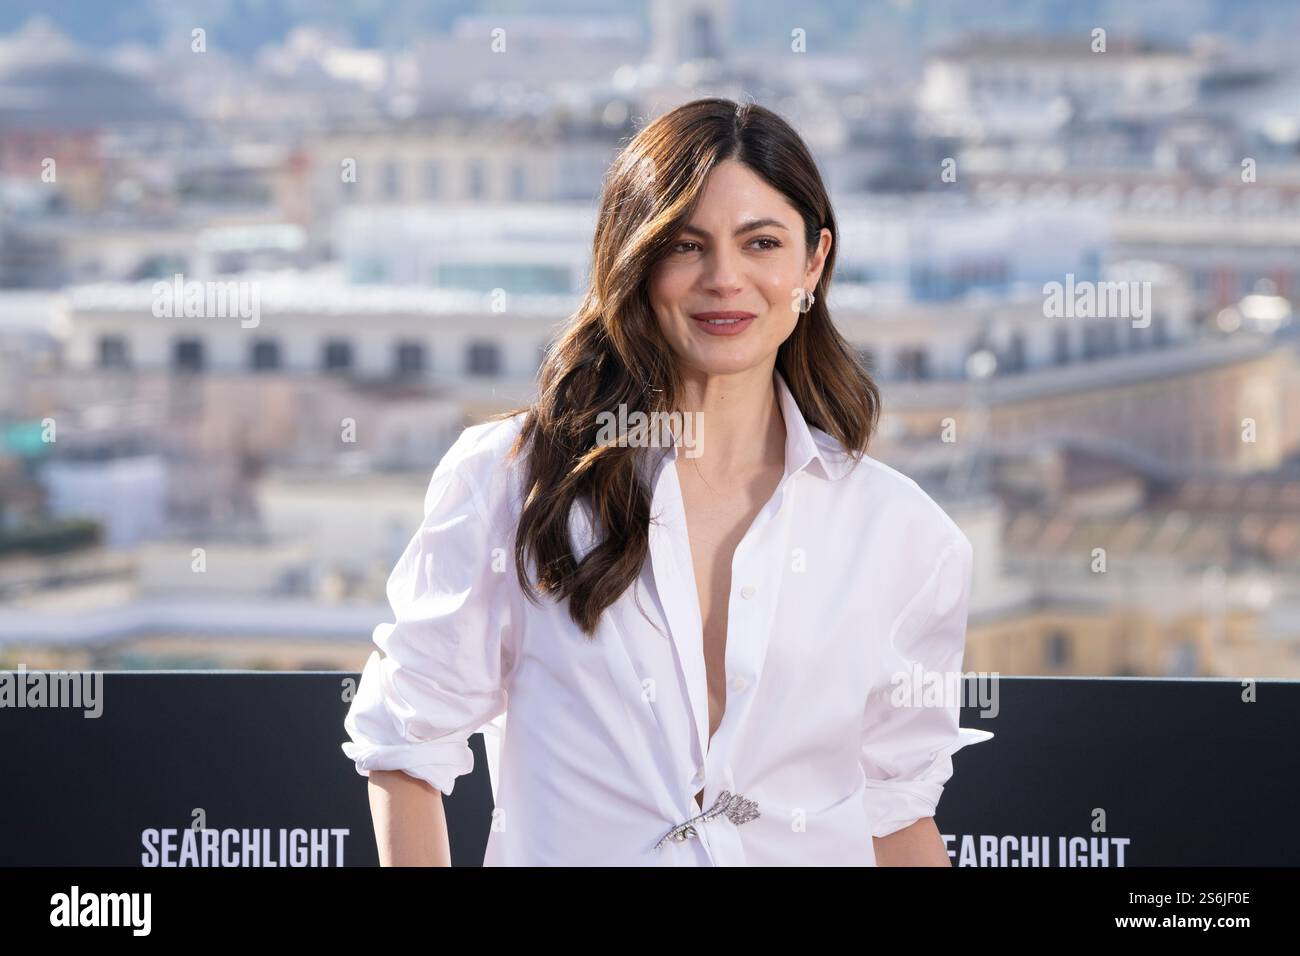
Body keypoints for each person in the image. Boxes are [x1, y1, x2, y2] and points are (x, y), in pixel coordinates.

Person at [342, 97, 991, 866]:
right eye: (687, 245)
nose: (725, 278)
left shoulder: (903, 534)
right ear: (635, 259)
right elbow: (406, 743)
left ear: (812, 262)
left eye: (761, 243)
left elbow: (898, 817)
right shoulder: (508, 483)